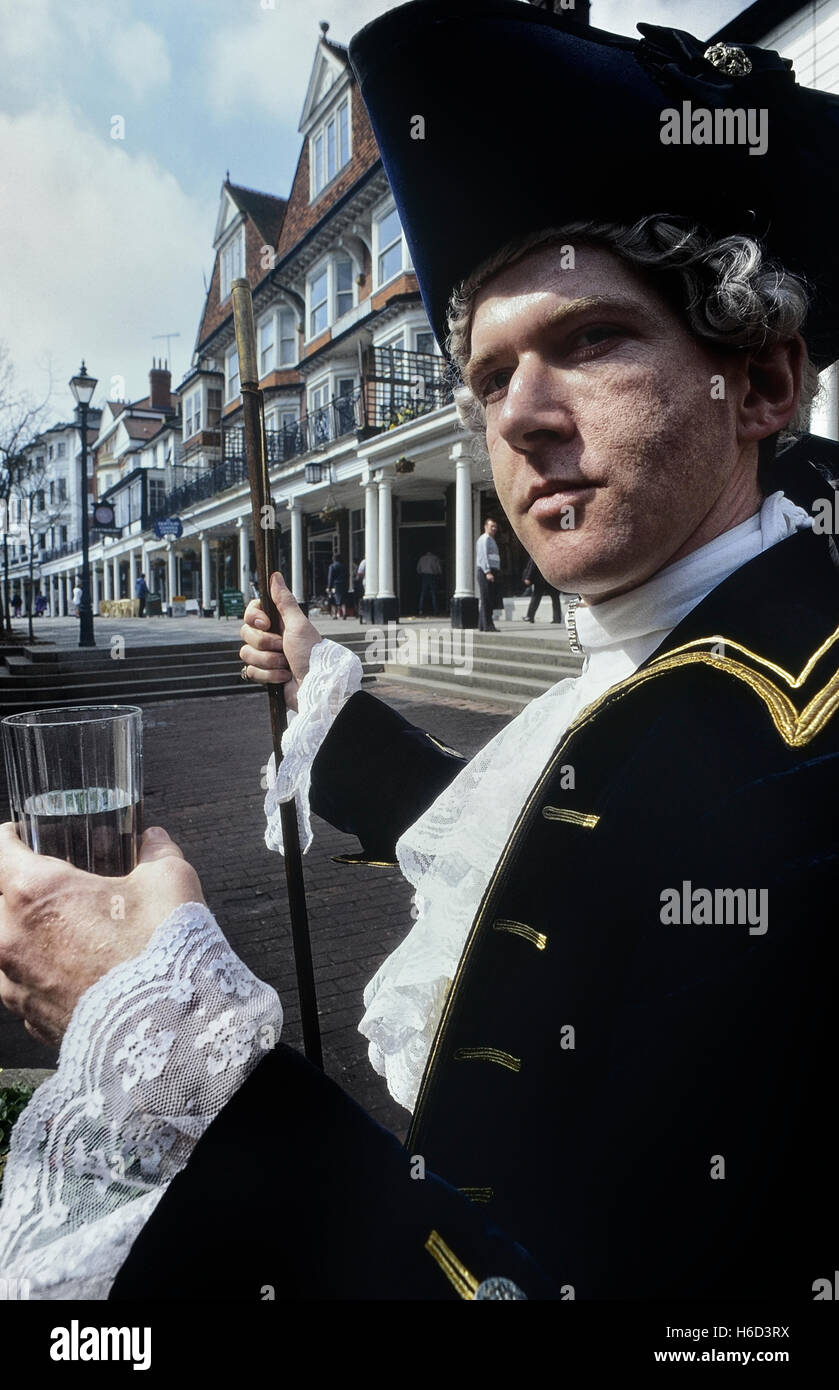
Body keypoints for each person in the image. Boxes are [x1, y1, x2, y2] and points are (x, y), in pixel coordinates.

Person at [1, 3, 838, 1303]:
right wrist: (318, 681)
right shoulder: (658, 655)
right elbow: (517, 827)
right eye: (487, 375)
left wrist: (177, 1050)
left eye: (587, 341)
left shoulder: (794, 753)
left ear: (763, 384)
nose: (522, 416)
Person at [475, 518, 500, 632]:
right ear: (485, 527)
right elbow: (482, 556)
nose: (494, 529)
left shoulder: (491, 539)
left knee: (488, 598)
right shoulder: (484, 539)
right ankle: (488, 626)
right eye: (492, 526)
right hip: (486, 572)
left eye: (495, 526)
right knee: (486, 599)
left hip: (492, 571)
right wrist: (488, 572)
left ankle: (481, 625)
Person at [522, 556, 561, 624]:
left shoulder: (538, 552)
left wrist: (528, 577)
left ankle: (530, 616)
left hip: (541, 580)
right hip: (552, 579)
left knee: (536, 598)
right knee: (555, 599)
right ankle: (557, 618)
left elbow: (533, 565)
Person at [416, 549, 442, 615]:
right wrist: (439, 573)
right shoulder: (435, 558)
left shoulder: (422, 558)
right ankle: (435, 610)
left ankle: (420, 609)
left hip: (424, 576)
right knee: (434, 593)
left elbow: (418, 569)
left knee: (423, 593)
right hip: (432, 576)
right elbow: (439, 568)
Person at [326, 554, 348, 620]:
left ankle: (335, 615)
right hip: (343, 584)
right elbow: (347, 575)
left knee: (333, 600)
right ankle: (344, 613)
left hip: (334, 585)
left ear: (333, 559)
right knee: (343, 600)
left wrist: (329, 587)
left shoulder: (332, 566)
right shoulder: (343, 566)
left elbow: (330, 577)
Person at [352, 555, 365, 623]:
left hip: (360, 586)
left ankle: (360, 615)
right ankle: (360, 615)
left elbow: (359, 575)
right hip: (363, 585)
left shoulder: (363, 563)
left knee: (359, 601)